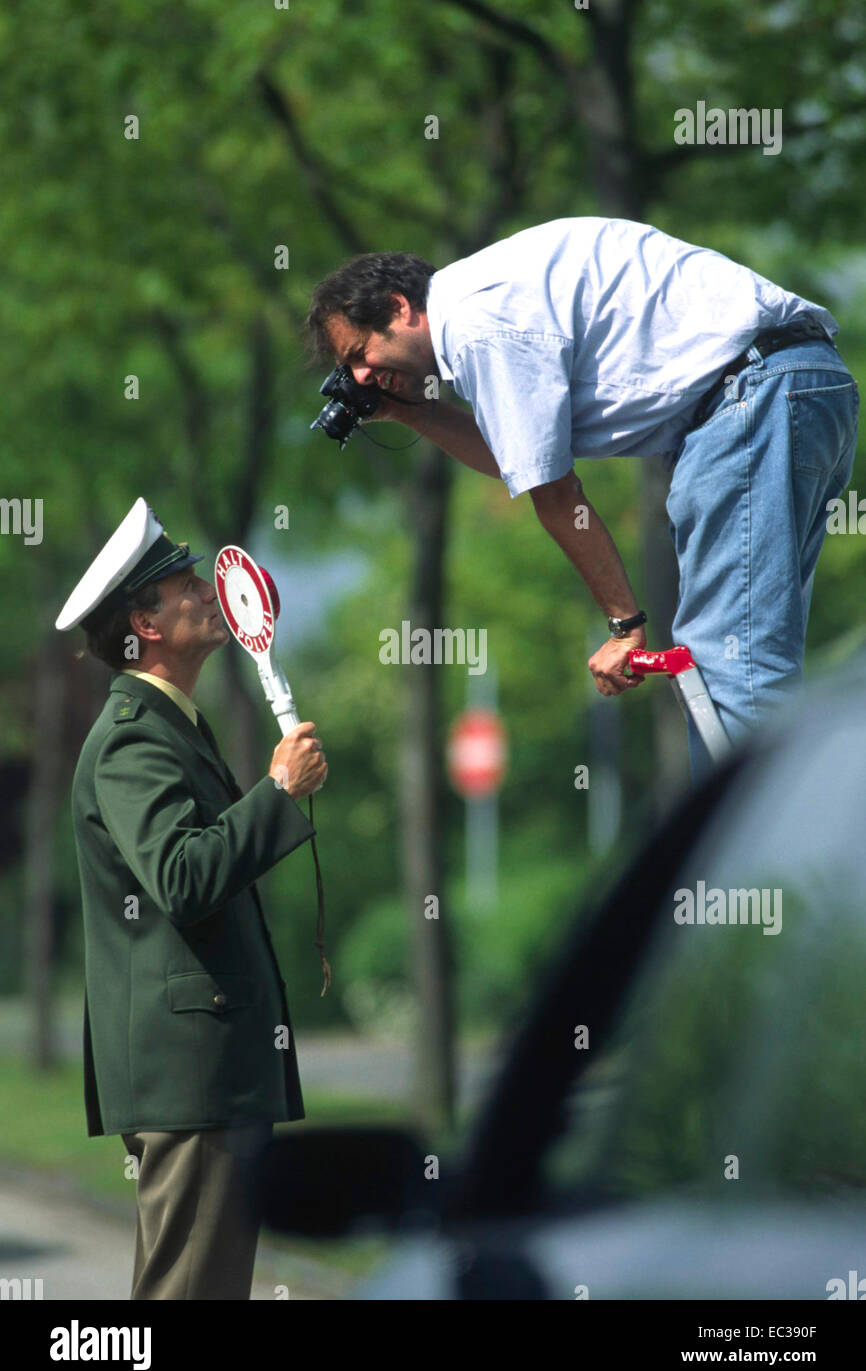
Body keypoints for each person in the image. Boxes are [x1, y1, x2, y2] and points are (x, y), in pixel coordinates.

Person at [306, 218, 859, 777]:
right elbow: (517, 457)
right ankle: (814, 835)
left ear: (400, 307)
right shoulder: (487, 294)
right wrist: (405, 411)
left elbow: (554, 491)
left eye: (358, 352)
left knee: (726, 663)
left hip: (750, 399)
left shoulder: (476, 327)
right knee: (754, 653)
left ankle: (762, 857)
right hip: (801, 383)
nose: (360, 375)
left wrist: (624, 625)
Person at [56, 497, 327, 1299]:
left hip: (202, 1077)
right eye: (183, 587)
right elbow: (181, 877)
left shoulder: (167, 724)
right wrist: (277, 791)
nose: (208, 590)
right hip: (190, 1081)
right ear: (143, 624)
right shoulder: (136, 735)